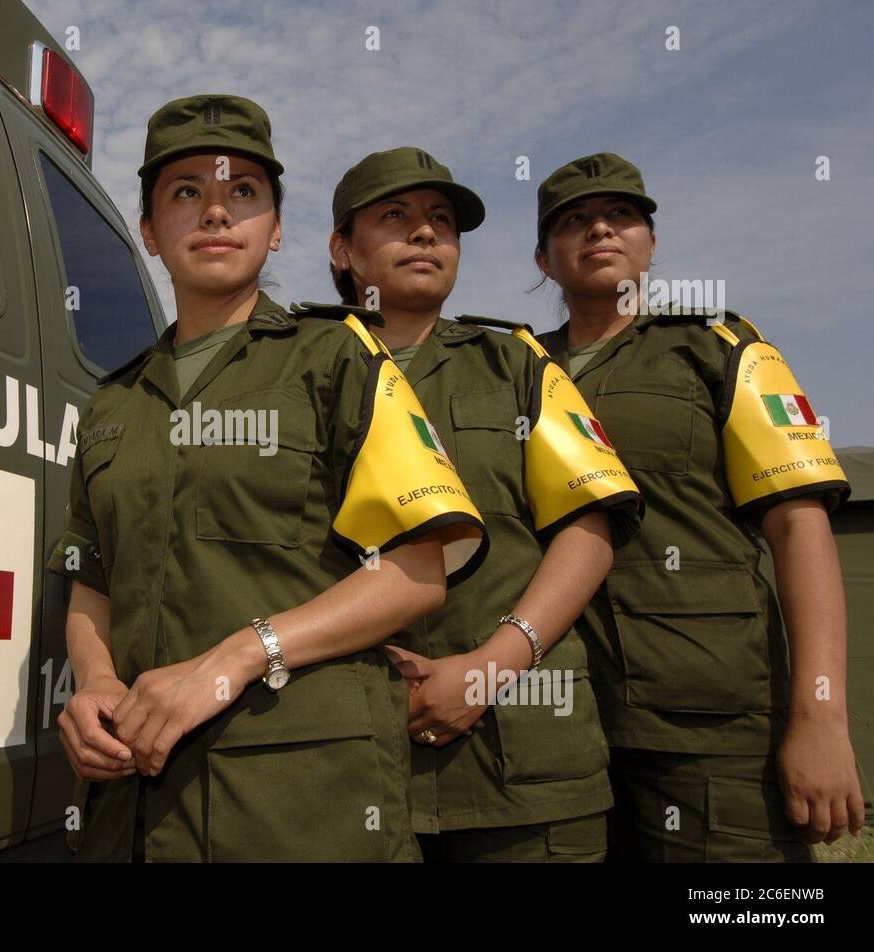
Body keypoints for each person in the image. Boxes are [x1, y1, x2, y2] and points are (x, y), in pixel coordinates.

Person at [45, 96, 487, 862]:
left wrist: (234, 658)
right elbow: (91, 577)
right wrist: (92, 683)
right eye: (186, 192)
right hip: (135, 810)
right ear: (148, 232)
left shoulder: (337, 357)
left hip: (303, 805)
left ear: (276, 229)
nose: (216, 212)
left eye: (243, 192)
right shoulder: (111, 402)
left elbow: (418, 571)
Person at [533, 151, 865, 861]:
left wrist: (821, 714)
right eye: (574, 221)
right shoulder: (514, 366)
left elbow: (798, 524)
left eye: (621, 215)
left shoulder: (719, 347)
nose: (600, 230)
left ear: (651, 243)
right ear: (544, 256)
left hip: (713, 716)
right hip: (559, 721)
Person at [321, 147, 642, 861]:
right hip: (341, 770)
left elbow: (590, 528)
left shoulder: (518, 364)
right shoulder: (293, 366)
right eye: (396, 217)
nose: (427, 233)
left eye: (442, 220)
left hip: (520, 775)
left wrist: (494, 663)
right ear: (343, 249)